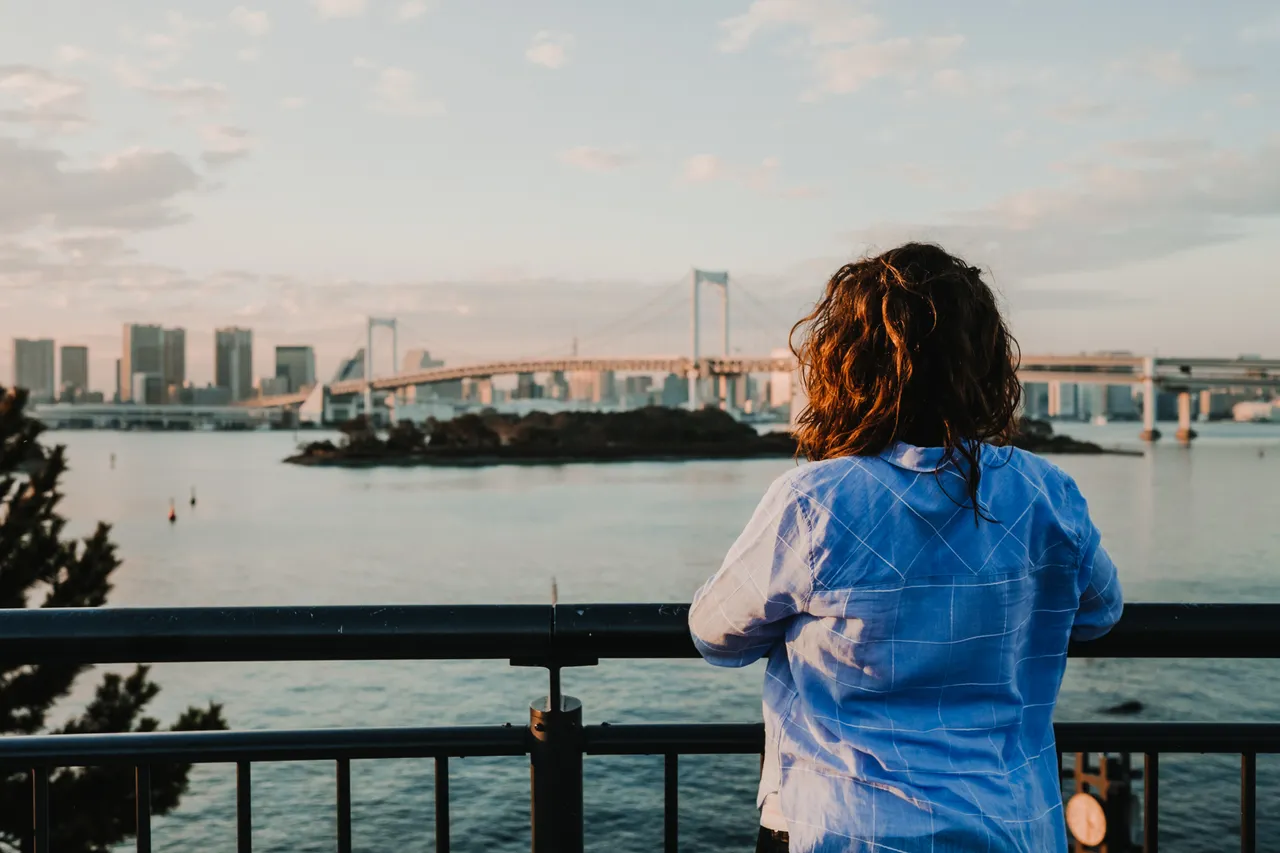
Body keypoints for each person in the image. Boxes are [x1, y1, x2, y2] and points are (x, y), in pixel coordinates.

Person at [688, 243, 1123, 853]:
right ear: (986, 362)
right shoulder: (1046, 492)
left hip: (841, 829)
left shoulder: (814, 502)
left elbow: (713, 633)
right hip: (1008, 825)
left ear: (846, 366)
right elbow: (1102, 614)